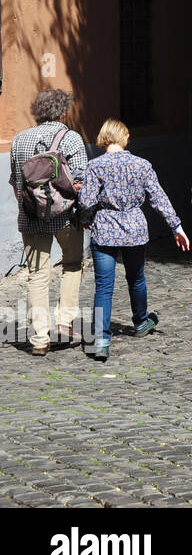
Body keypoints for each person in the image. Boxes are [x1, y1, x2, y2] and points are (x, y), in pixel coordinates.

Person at [77, 119, 190, 361]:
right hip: (134, 230)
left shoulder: (95, 166)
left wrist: (86, 217)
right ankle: (140, 321)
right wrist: (176, 226)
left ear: (104, 137)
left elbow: (85, 201)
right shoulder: (142, 165)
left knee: (103, 287)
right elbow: (159, 198)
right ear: (124, 137)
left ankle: (100, 339)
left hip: (105, 229)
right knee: (136, 278)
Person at [9, 88, 89, 355]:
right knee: (73, 263)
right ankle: (64, 323)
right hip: (65, 216)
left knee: (37, 275)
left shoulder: (19, 139)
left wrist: (30, 206)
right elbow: (81, 182)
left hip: (30, 217)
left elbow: (15, 184)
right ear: (64, 112)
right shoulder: (71, 138)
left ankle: (39, 340)